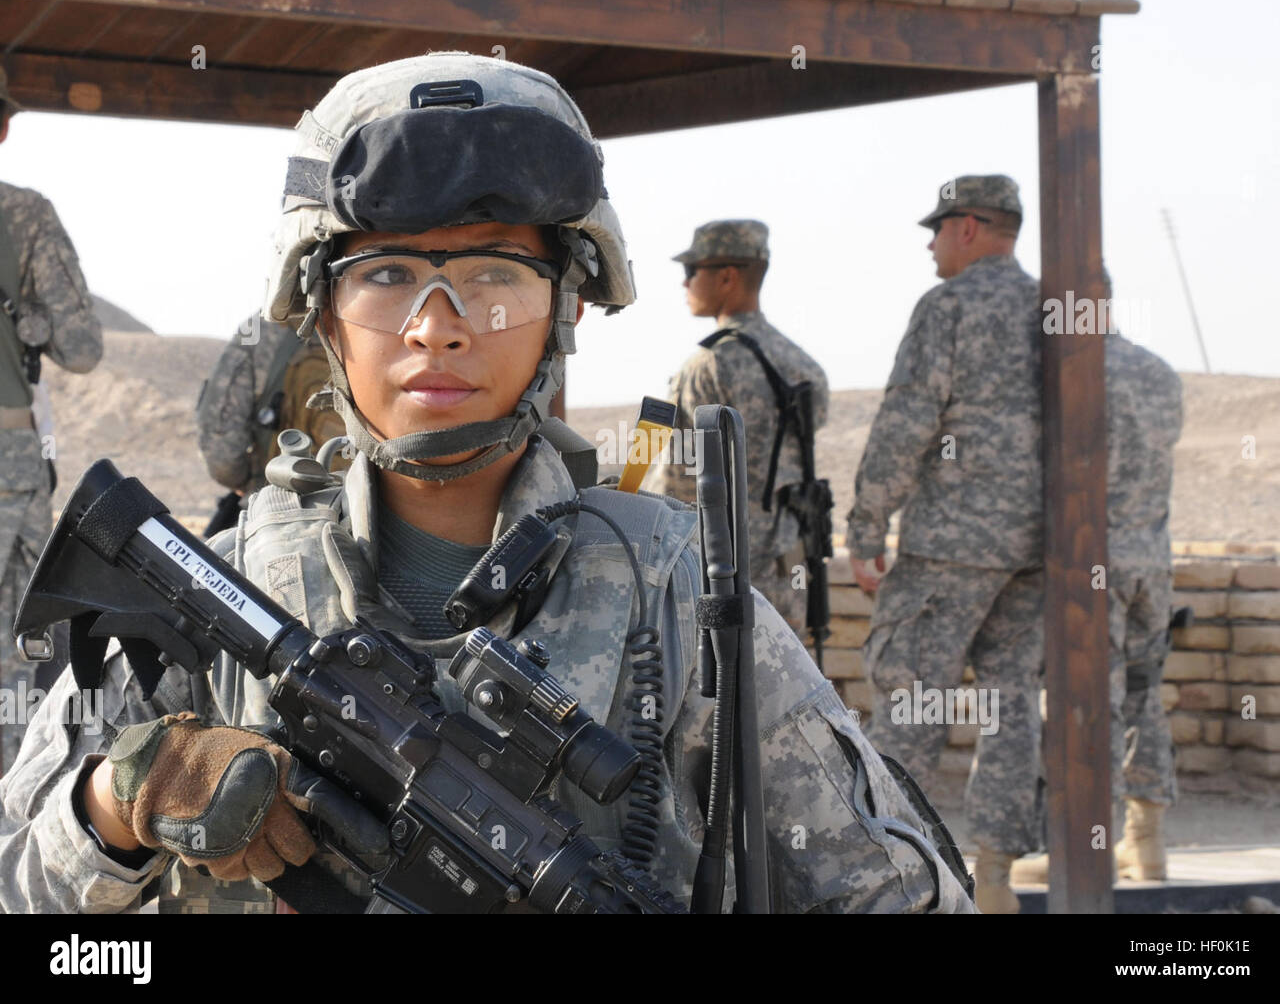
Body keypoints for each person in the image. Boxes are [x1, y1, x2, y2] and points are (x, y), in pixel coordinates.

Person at [0, 53, 975, 914]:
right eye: (386, 275)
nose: (439, 323)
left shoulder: (679, 602)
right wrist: (115, 804)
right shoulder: (220, 592)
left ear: (567, 304)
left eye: (495, 272)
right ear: (321, 311)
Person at [846, 174, 1042, 914]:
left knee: (912, 706)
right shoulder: (1055, 307)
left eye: (937, 229)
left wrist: (866, 526)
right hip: (1034, 552)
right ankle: (996, 885)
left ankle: (900, 875)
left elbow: (906, 421)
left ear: (967, 227)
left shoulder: (949, 306)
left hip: (947, 549)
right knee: (1012, 707)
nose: (930, 245)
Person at [1014, 322, 1183, 886]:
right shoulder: (1159, 371)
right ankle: (1149, 842)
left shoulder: (1074, 373)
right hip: (1153, 559)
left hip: (1095, 559)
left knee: (1091, 697)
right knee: (1145, 694)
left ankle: (1096, 846)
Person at [642, 220, 829, 638]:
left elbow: (674, 480)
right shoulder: (803, 364)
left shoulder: (709, 364)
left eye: (693, 271)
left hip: (722, 575)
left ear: (727, 276)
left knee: (715, 697)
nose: (685, 282)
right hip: (787, 567)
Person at [0, 67, 103, 776]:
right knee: (21, 655)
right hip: (7, 463)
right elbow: (82, 347)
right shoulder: (24, 217)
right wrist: (27, 319)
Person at [195, 313, 345, 496]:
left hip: (280, 503)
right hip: (367, 501)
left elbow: (221, 452)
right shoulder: (378, 316)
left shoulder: (260, 328)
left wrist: (251, 481)